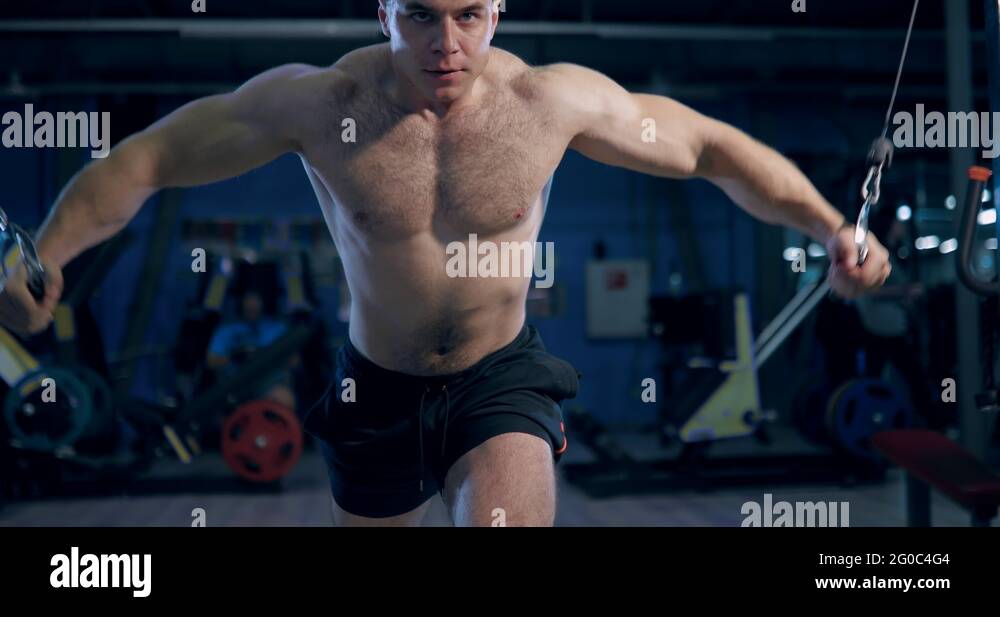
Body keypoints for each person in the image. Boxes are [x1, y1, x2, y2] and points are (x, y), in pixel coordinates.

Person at [0, 0, 890, 526]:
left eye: (468, 13)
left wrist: (827, 228)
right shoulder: (319, 105)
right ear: (383, 8)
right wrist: (43, 257)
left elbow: (705, 148)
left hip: (498, 377)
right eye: (420, 14)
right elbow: (147, 160)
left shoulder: (549, 103)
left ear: (498, 8)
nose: (447, 43)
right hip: (373, 387)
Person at [206, 288, 296, 410]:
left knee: (284, 399)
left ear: (264, 302)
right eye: (248, 299)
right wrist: (234, 358)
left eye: (256, 300)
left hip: (269, 384)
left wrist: (269, 359)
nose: (252, 304)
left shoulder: (278, 329)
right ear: (241, 302)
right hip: (234, 385)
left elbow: (294, 360)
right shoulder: (227, 330)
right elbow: (211, 361)